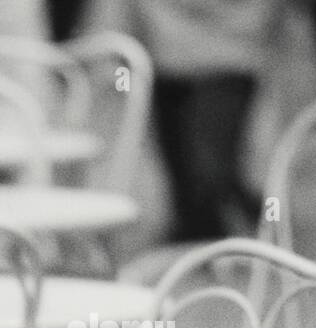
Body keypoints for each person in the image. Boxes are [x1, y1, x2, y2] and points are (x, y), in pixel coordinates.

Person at [93, 0, 282, 242]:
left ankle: (231, 237)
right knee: (180, 165)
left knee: (212, 167)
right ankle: (198, 241)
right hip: (167, 58)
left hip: (227, 61)